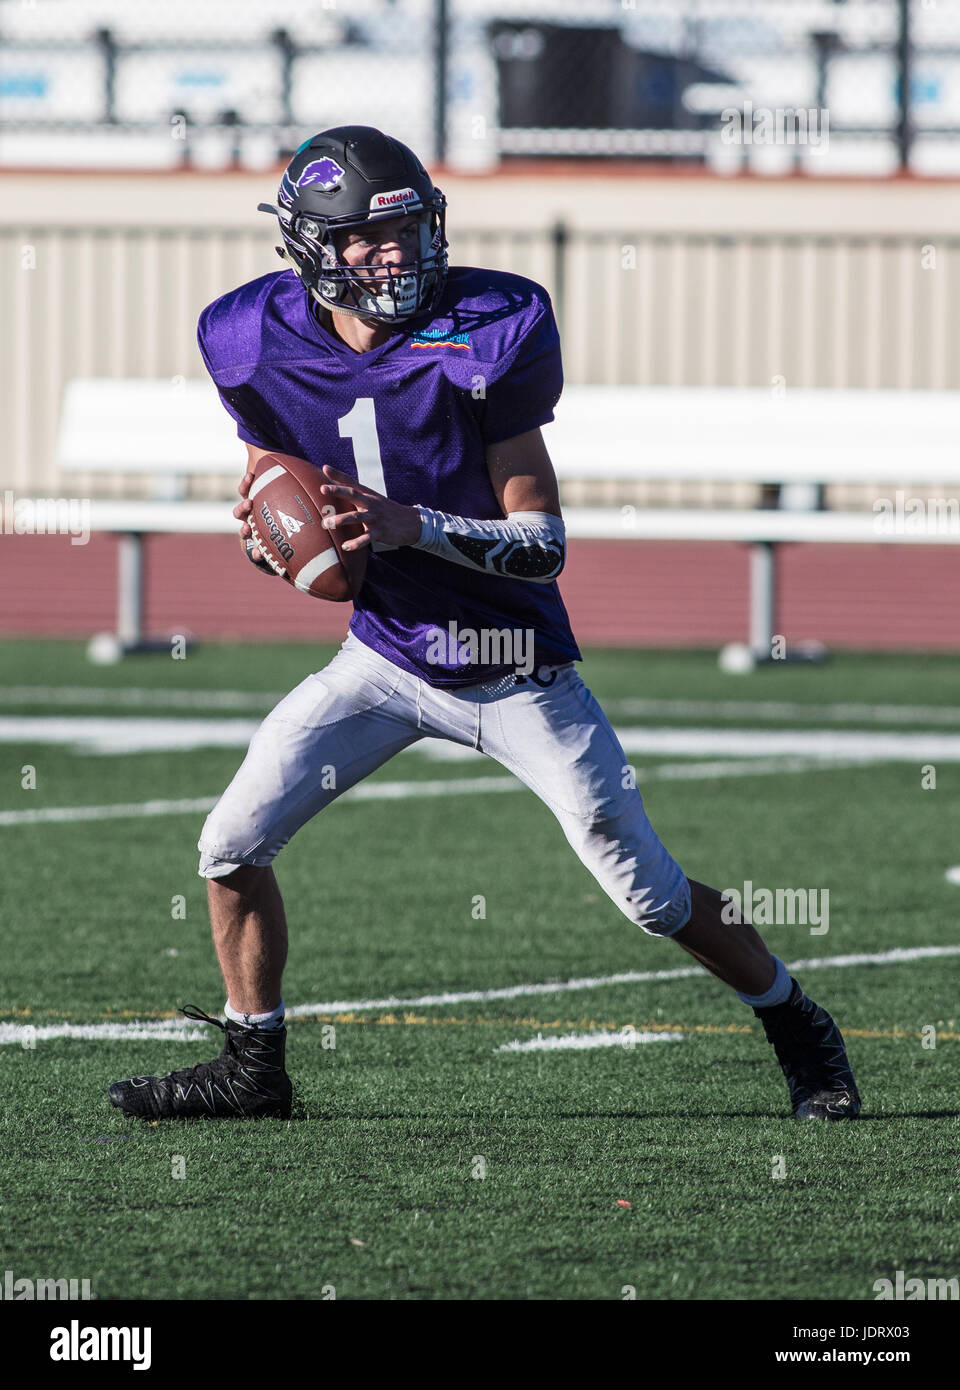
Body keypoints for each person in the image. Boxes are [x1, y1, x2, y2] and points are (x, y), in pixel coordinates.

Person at [109, 126, 860, 1123]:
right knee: (229, 842)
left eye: (413, 230)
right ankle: (255, 1064)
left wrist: (406, 525)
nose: (399, 256)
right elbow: (268, 476)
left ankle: (796, 1023)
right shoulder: (250, 336)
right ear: (309, 250)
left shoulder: (490, 323)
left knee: (652, 898)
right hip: (382, 660)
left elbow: (542, 543)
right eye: (370, 242)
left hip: (516, 669)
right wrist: (270, 535)